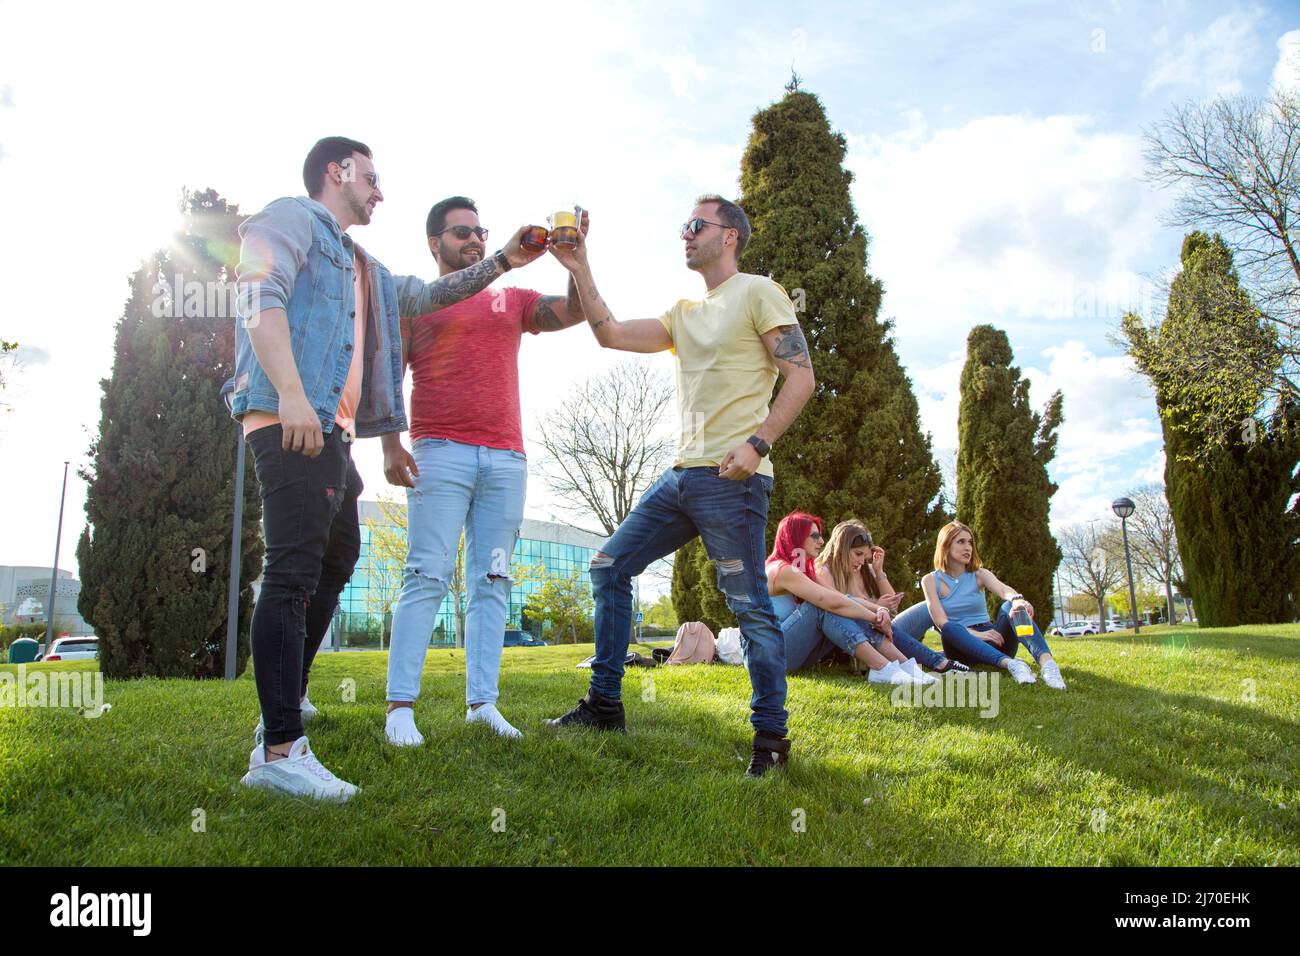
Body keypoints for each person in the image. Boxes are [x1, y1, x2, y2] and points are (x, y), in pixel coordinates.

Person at [228, 137, 536, 801]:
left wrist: (507, 258)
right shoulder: (286, 217)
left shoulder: (361, 265)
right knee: (291, 572)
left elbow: (432, 293)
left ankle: (292, 693)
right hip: (290, 419)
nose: (379, 191)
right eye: (371, 177)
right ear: (337, 171)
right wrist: (288, 393)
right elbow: (256, 293)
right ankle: (278, 749)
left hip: (328, 432)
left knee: (338, 557)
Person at [545, 195, 815, 777]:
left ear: (730, 236)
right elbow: (610, 334)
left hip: (733, 480)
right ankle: (605, 703)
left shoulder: (758, 291)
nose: (686, 235)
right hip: (681, 478)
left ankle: (770, 738)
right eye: (683, 227)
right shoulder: (684, 313)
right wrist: (581, 268)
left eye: (697, 225)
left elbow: (801, 375)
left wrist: (759, 442)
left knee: (750, 609)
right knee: (608, 567)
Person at [382, 198, 589, 747]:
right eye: (461, 232)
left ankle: (483, 704)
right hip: (439, 452)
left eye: (480, 231)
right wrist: (390, 445)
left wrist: (577, 265)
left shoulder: (512, 299)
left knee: (493, 580)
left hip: (506, 459)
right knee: (425, 575)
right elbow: (389, 376)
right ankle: (400, 708)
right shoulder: (417, 301)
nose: (474, 239)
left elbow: (574, 313)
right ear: (434, 243)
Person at [893, 521, 1067, 689]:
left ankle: (1048, 665)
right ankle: (1012, 665)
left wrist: (1017, 600)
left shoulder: (979, 574)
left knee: (1011, 607)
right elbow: (940, 622)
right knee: (948, 627)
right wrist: (977, 635)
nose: (968, 547)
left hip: (993, 638)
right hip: (959, 641)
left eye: (970, 542)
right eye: (961, 542)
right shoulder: (930, 580)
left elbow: (1002, 588)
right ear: (945, 545)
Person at [765, 513, 932, 684]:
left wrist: (879, 610)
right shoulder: (782, 570)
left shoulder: (801, 570)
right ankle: (883, 668)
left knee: (844, 607)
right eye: (814, 536)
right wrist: (875, 617)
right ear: (796, 536)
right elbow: (829, 601)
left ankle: (904, 665)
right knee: (823, 606)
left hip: (794, 654)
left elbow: (841, 598)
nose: (821, 541)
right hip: (769, 656)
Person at [812, 519, 969, 678]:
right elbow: (839, 603)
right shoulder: (824, 570)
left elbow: (893, 607)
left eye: (864, 555)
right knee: (869, 622)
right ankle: (938, 662)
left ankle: (944, 655)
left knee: (925, 607)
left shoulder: (865, 568)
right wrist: (876, 607)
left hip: (884, 628)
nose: (861, 560)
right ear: (843, 549)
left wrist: (879, 573)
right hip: (855, 636)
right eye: (858, 553)